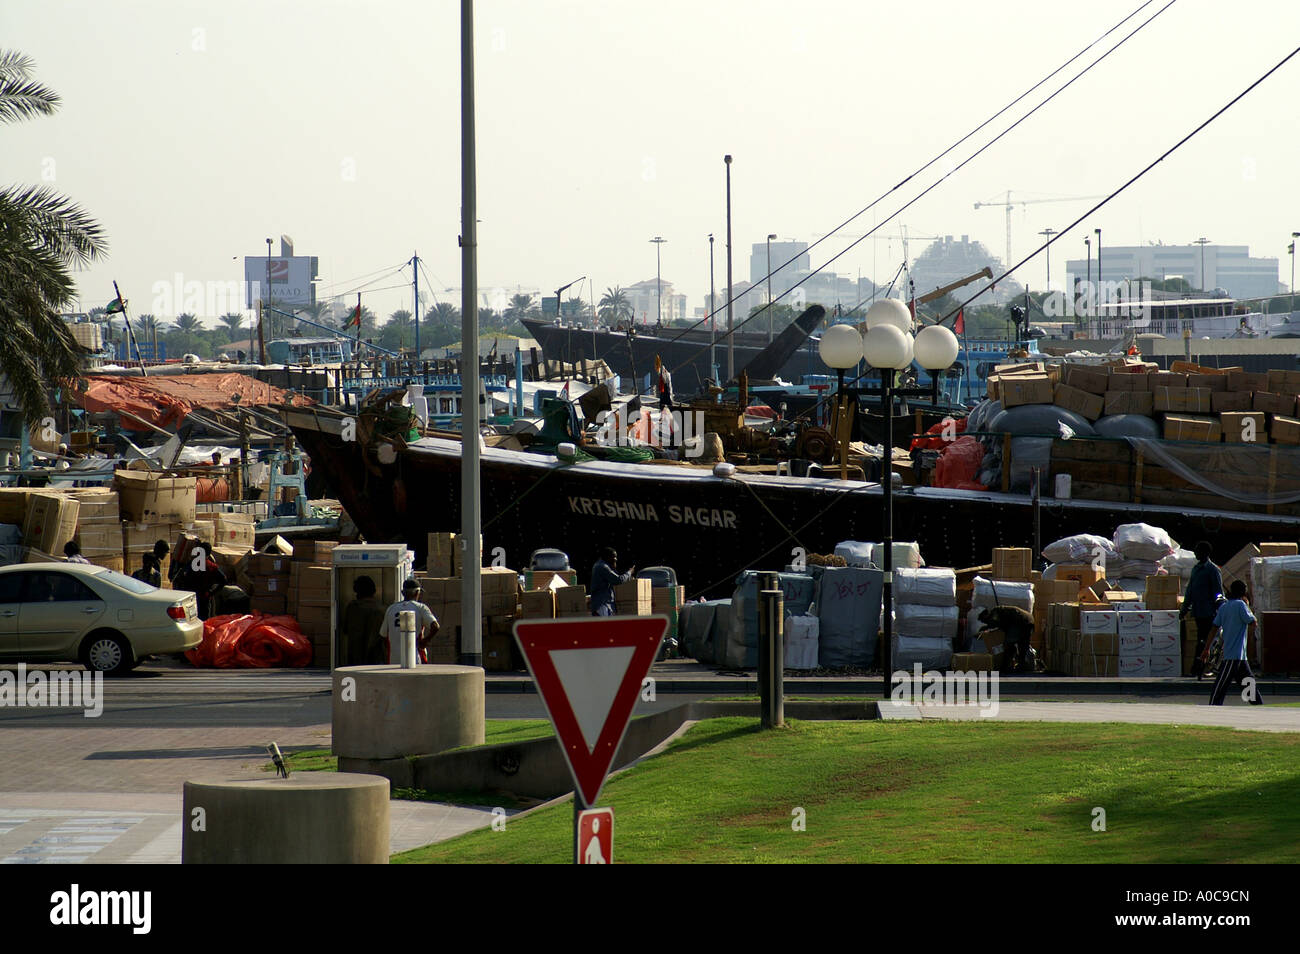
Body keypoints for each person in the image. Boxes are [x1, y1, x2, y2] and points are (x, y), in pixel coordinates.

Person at [1207, 579, 1262, 706]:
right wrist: (1247, 605)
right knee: (1228, 684)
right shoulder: (1241, 605)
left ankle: (1213, 706)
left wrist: (1206, 649)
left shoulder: (1224, 607)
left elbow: (1214, 628)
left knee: (1230, 684)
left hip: (1233, 654)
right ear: (1243, 592)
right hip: (1237, 655)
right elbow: (1253, 622)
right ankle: (1259, 708)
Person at [1182, 541, 1223, 679]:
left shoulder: (1212, 570)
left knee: (1207, 642)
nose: (1195, 553)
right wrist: (1184, 608)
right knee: (1201, 640)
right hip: (1199, 612)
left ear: (1205, 553)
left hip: (1210, 613)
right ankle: (1198, 668)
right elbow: (1190, 591)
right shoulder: (1196, 569)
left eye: (1197, 551)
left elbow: (1218, 592)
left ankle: (1202, 668)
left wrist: (1221, 611)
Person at [379, 578, 438, 664]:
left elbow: (383, 635)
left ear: (403, 593)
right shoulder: (420, 607)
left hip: (394, 659)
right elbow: (435, 626)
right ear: (417, 593)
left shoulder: (391, 608)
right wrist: (425, 641)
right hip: (415, 658)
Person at [341, 575, 389, 665]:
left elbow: (345, 630)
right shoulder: (382, 610)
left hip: (355, 658)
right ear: (373, 591)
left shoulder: (352, 608)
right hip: (375, 658)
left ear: (356, 591)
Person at [172, 541, 227, 620]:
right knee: (204, 622)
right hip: (204, 599)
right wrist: (211, 593)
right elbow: (224, 580)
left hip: (190, 599)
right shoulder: (212, 566)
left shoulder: (192, 564)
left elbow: (181, 578)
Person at [978, 605, 1034, 674]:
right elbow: (1000, 625)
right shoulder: (1000, 612)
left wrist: (985, 628)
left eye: (983, 620)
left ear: (986, 616)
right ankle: (1021, 666)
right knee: (1022, 645)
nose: (984, 622)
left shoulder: (996, 612)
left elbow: (995, 623)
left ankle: (1007, 666)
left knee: (1010, 645)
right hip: (1028, 620)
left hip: (1020, 621)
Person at [590, 547, 634, 617]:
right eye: (614, 557)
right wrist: (629, 572)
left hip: (604, 604)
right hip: (602, 605)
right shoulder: (602, 567)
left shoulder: (601, 565)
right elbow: (618, 580)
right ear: (607, 557)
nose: (615, 559)